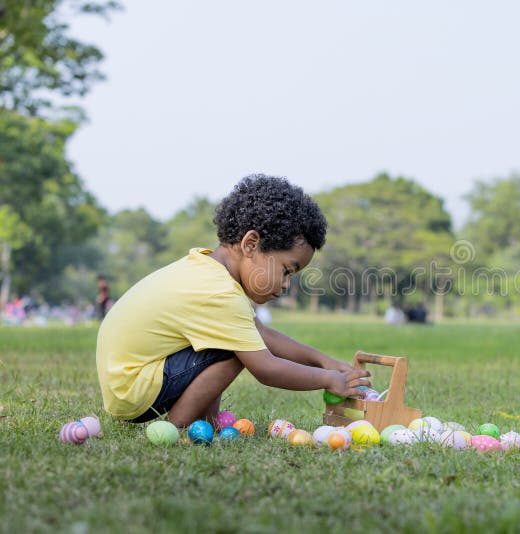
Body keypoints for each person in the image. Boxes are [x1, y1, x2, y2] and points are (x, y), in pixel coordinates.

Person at [95, 175, 370, 427]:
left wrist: (324, 362)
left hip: (127, 386)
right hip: (136, 392)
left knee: (242, 339)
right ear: (251, 244)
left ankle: (204, 420)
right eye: (287, 270)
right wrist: (329, 380)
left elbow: (262, 332)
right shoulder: (220, 293)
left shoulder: (206, 270)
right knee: (236, 349)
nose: (286, 284)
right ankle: (180, 423)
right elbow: (266, 369)